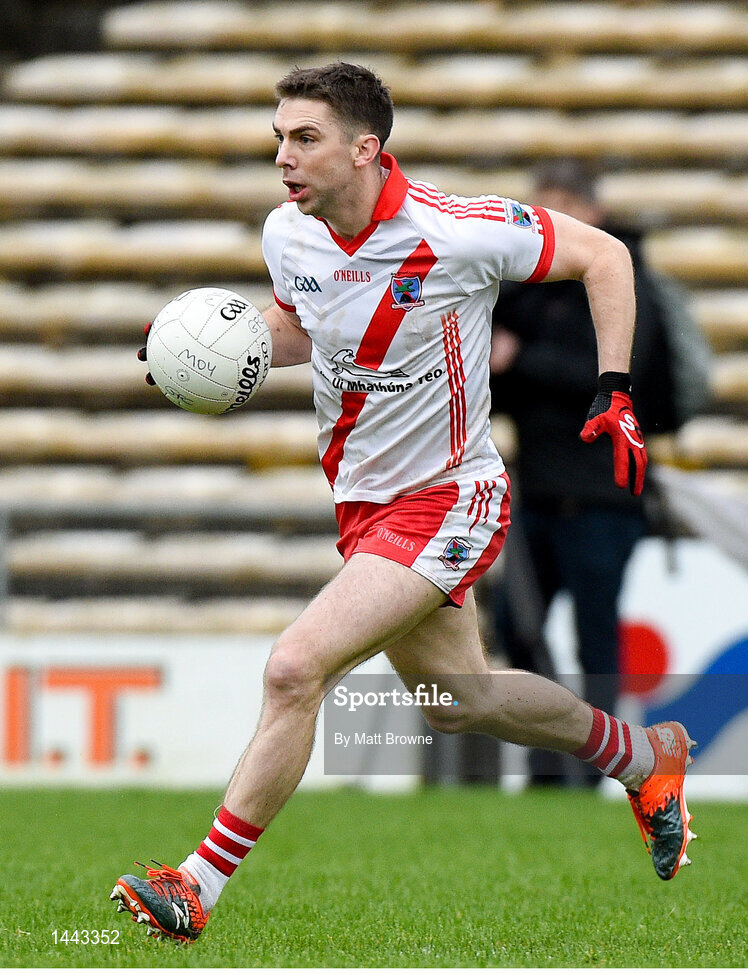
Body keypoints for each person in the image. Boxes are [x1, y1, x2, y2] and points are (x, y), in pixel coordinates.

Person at [113, 63, 697, 943]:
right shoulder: (290, 234)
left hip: (450, 497)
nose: (284, 157)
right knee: (460, 700)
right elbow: (303, 326)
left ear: (366, 148)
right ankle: (644, 757)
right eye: (278, 137)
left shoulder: (459, 229)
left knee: (294, 667)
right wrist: (203, 354)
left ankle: (195, 883)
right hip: (364, 506)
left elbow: (604, 256)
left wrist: (613, 387)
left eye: (304, 138)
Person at [487, 159, 708, 786]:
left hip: (605, 491)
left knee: (595, 639)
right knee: (515, 627)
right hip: (537, 489)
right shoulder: (528, 289)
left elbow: (615, 377)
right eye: (540, 209)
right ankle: (549, 764)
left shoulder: (623, 278)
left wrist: (521, 359)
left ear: (592, 211)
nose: (546, 223)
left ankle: (602, 772)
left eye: (559, 207)